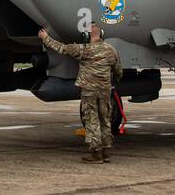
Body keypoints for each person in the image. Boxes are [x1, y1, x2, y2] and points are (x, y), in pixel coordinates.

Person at [38, 24, 122, 163]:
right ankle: (107, 150)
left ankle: (96, 153)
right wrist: (113, 81)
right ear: (101, 34)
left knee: (92, 120)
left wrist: (45, 38)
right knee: (105, 119)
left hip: (89, 91)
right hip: (105, 90)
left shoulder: (84, 50)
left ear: (87, 36)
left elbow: (62, 48)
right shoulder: (111, 50)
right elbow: (118, 71)